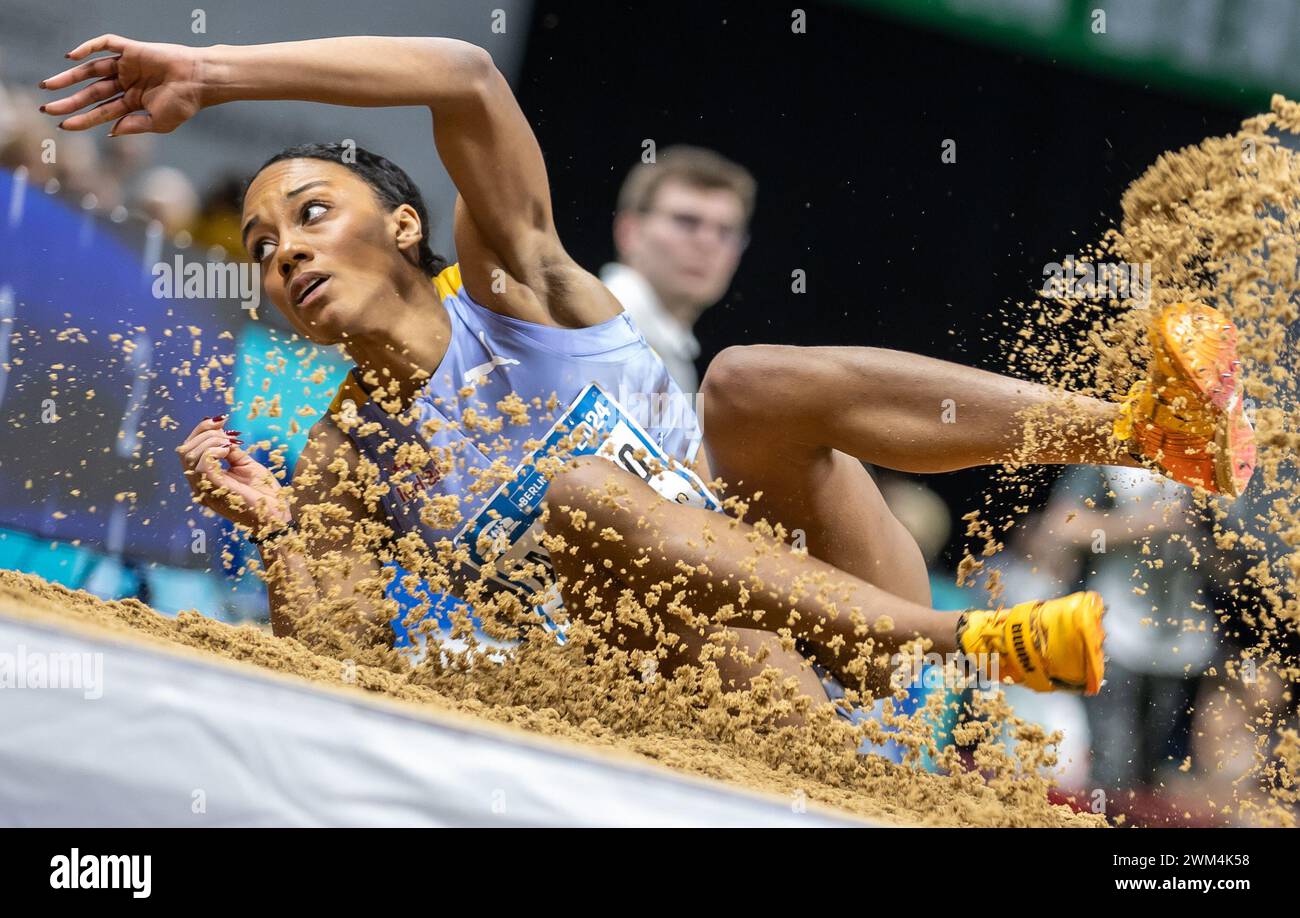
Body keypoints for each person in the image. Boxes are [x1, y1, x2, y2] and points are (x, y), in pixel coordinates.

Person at [41, 34, 1256, 708]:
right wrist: (276, 526)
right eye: (259, 247)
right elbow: (343, 666)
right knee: (583, 503)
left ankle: (1148, 432)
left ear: (406, 228)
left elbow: (463, 75)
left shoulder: (522, 294)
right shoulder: (349, 451)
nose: (285, 250)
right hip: (734, 676)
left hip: (835, 583)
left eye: (310, 212)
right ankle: (961, 646)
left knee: (742, 380)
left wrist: (217, 76)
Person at [601, 145, 754, 393]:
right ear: (629, 232)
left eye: (725, 232)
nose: (707, 242)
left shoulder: (673, 358)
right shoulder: (598, 327)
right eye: (686, 221)